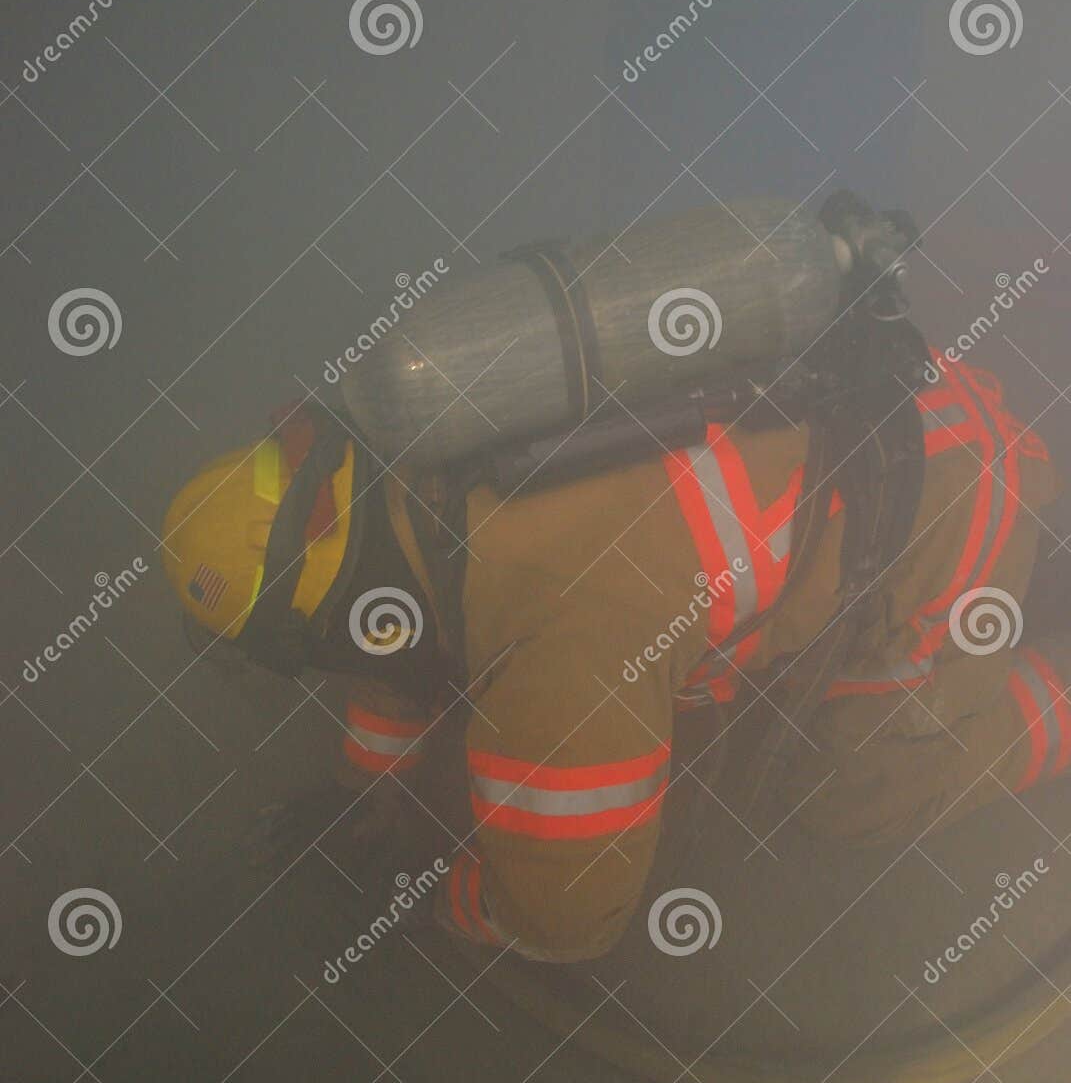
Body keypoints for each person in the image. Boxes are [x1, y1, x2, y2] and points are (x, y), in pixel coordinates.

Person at [163, 347, 1069, 964]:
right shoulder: (420, 459)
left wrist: (446, 906)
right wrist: (368, 788)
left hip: (960, 509)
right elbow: (394, 657)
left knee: (851, 793)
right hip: (905, 390)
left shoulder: (560, 663)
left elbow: (569, 913)